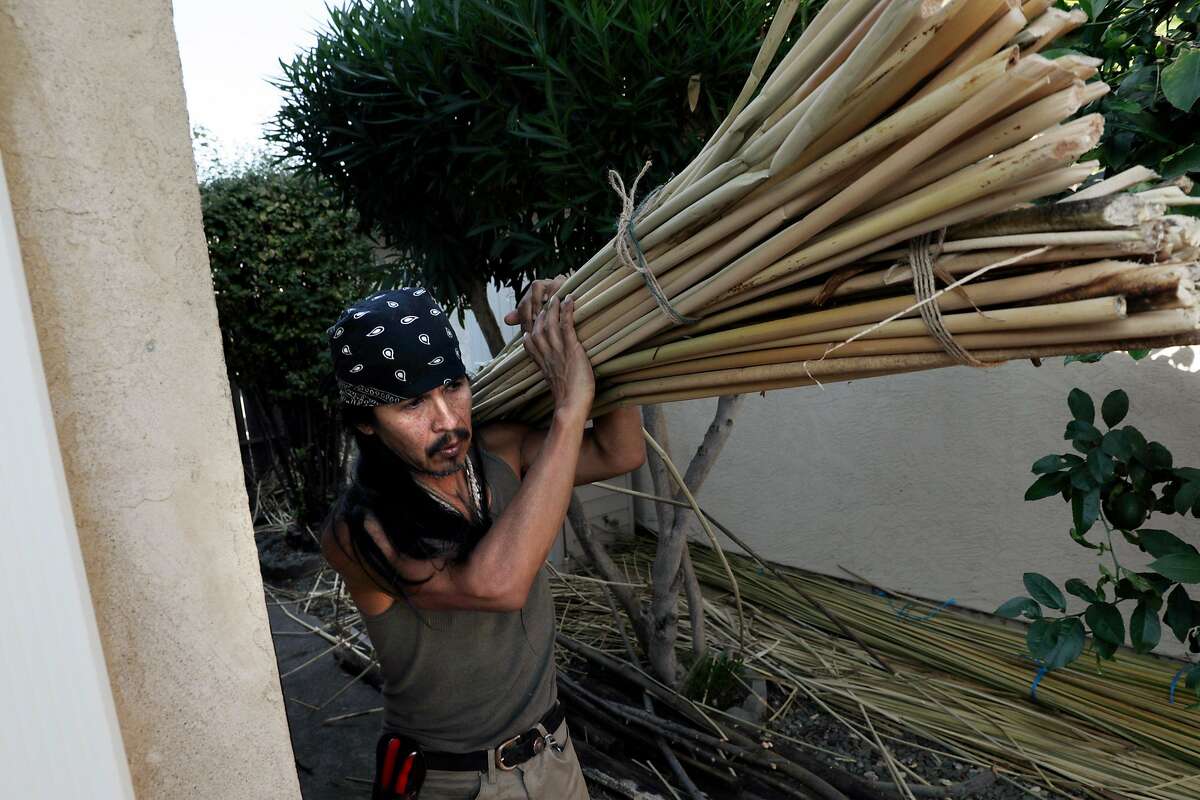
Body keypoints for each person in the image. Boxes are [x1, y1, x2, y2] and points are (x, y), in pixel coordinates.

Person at [319, 278, 646, 800]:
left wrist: (590, 332)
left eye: (453, 385)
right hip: (455, 780)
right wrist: (569, 406)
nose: (447, 421)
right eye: (411, 405)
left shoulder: (500, 454)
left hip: (554, 758)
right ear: (366, 424)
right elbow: (499, 586)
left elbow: (619, 451)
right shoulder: (359, 531)